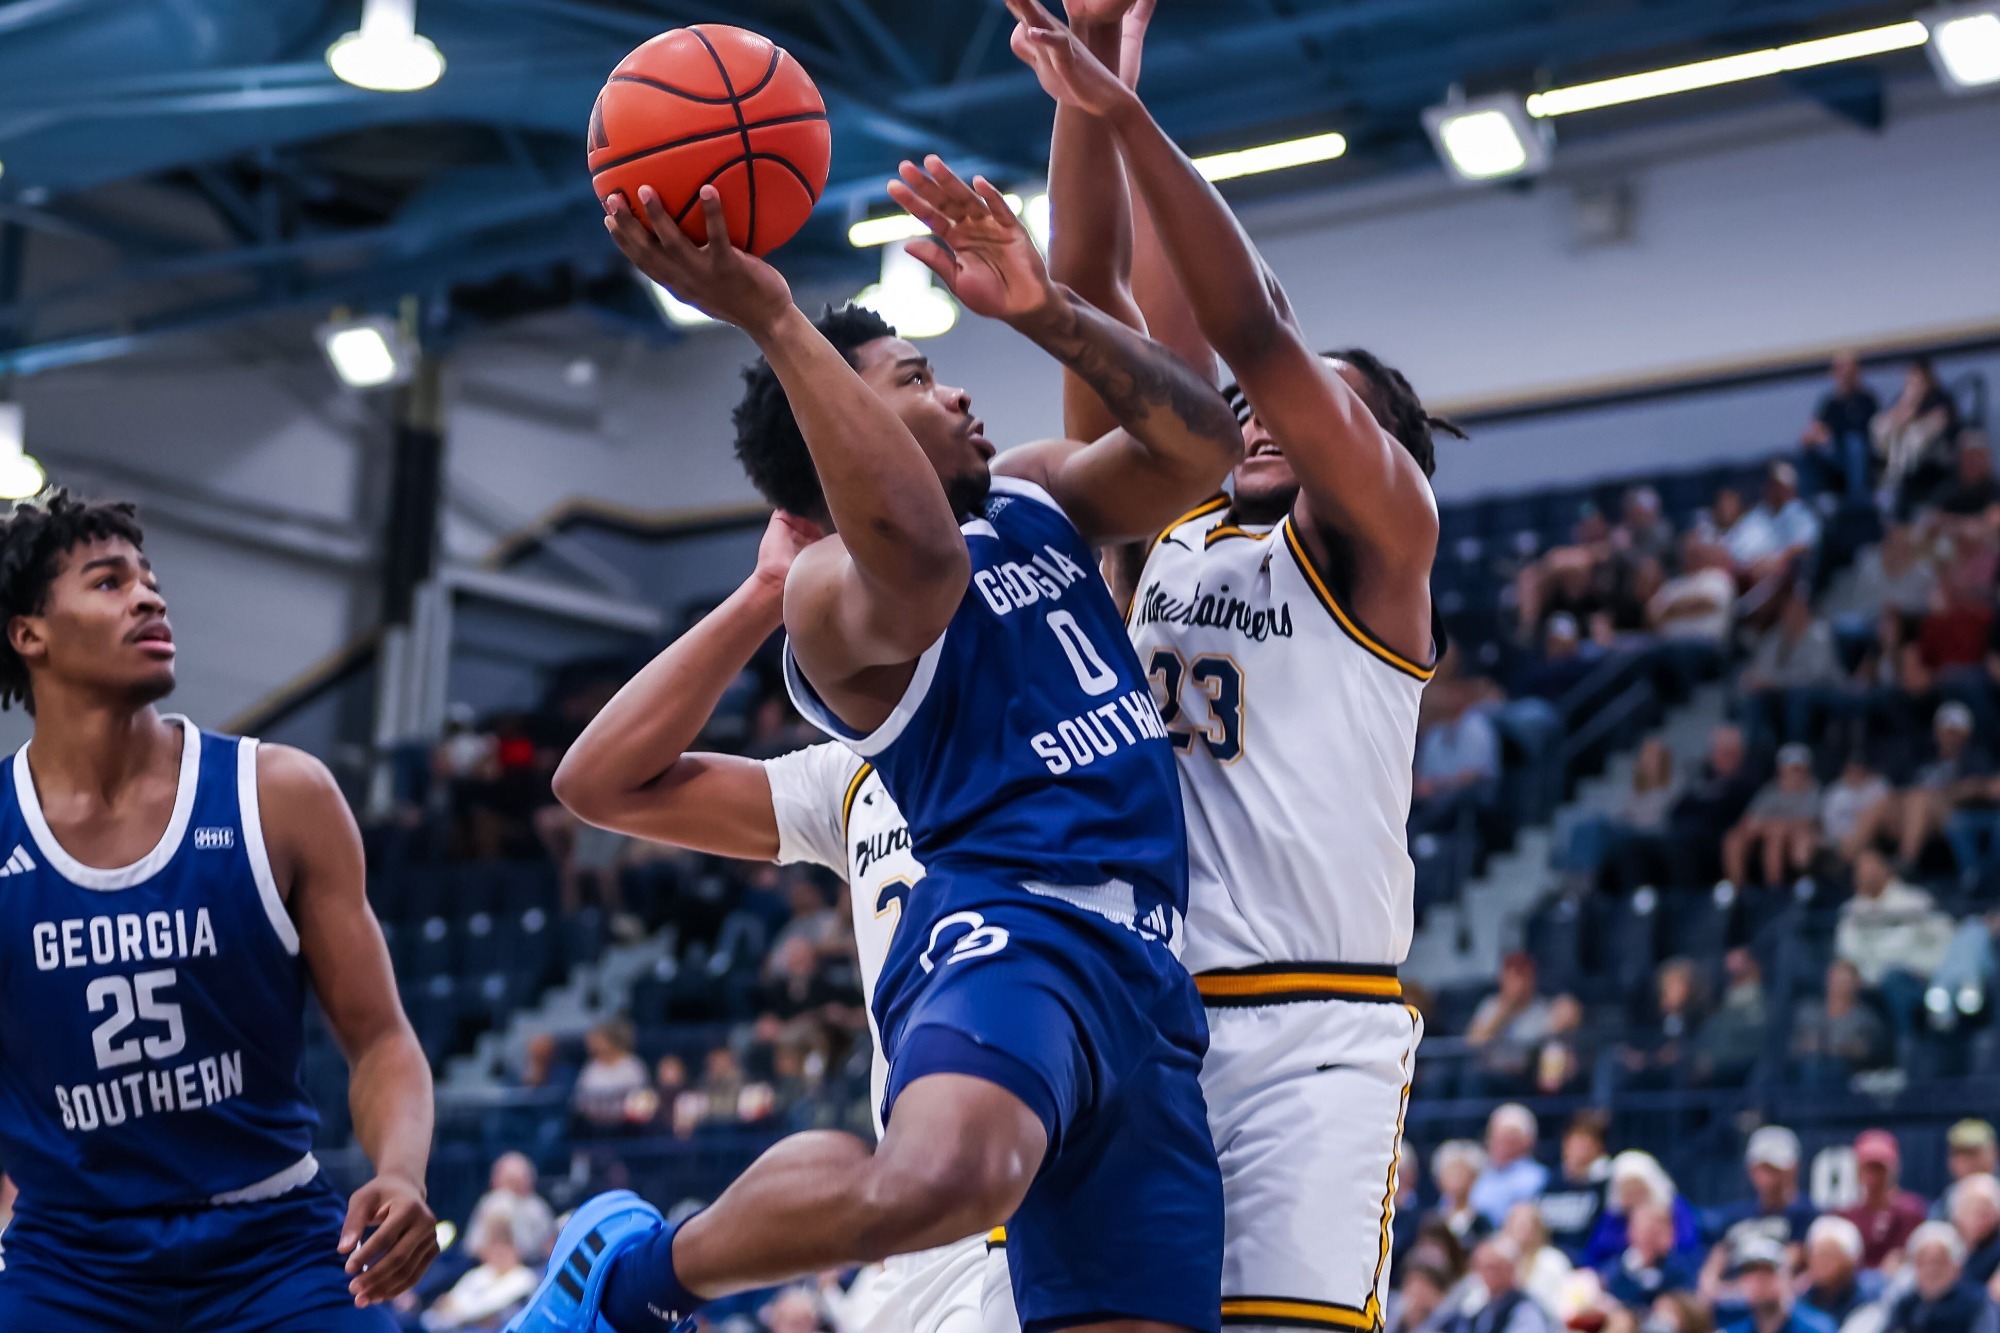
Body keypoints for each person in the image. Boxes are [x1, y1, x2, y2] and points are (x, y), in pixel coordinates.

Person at [520, 114, 1244, 1331]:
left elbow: (1200, 447)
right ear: (836, 435)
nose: (955, 385)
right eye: (913, 377)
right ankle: (636, 1281)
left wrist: (1048, 312)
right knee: (945, 1179)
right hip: (1015, 927)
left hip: (1146, 975)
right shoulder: (824, 596)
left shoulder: (1032, 495)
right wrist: (773, 318)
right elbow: (913, 561)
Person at [1024, 4, 1454, 1323]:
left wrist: (1130, 117)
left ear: (1373, 450)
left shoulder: (1384, 550)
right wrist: (1085, 92)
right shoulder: (1160, 533)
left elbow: (1254, 336)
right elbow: (1091, 311)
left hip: (1313, 1030)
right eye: (1269, 409)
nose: (1269, 411)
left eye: (1325, 406)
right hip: (1142, 1017)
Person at [548, 512, 1015, 1333]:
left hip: (1043, 1191)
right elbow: (597, 783)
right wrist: (764, 591)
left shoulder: (1086, 733)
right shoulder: (851, 775)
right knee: (847, 1162)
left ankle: (638, 1287)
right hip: (919, 1232)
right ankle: (631, 1293)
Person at [0, 492, 438, 1329]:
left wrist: (403, 1171)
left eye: (151, 580)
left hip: (272, 1241)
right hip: (69, 1260)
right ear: (30, 634)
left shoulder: (278, 794)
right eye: (109, 581)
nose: (149, 597)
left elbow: (381, 1037)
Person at [422, 1201, 540, 1331]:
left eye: (504, 1246)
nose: (498, 1252)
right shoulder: (478, 1275)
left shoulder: (524, 1278)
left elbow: (489, 1308)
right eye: (493, 1245)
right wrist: (448, 1308)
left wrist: (457, 1311)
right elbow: (435, 1314)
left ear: (516, 1250)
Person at [1721, 745, 1823, 890]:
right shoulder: (1770, 791)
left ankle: (1774, 890)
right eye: (1789, 769)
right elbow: (1748, 821)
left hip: (1795, 838)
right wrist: (1768, 825)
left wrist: (1772, 825)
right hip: (1764, 834)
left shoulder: (1813, 790)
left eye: (1798, 769)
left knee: (1776, 835)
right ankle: (1737, 891)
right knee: (1733, 839)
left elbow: (1808, 820)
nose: (1793, 775)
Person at [1880, 1223, 1996, 1333]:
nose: (1930, 1270)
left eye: (1938, 1262)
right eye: (1923, 1262)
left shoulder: (1977, 1301)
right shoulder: (1906, 1303)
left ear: (1956, 1267)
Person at [1839, 1131, 1929, 1270]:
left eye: (1879, 1168)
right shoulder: (1847, 1216)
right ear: (1858, 1170)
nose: (1873, 1177)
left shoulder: (1912, 1211)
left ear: (1893, 1170)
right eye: (1868, 1168)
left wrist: (1904, 1259)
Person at [1791, 960, 1891, 1084]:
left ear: (1857, 983)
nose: (1839, 986)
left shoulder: (1866, 1018)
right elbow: (1795, 1046)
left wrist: (1831, 1048)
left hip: (1847, 1075)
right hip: (1805, 1072)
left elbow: (1866, 1051)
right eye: (1835, 980)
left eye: (1844, 981)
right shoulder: (1808, 1012)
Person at [1801, 353, 1881, 497]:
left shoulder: (1866, 399)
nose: (1843, 374)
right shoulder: (1830, 403)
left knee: (1854, 443)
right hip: (1836, 452)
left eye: (1847, 369)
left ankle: (1858, 498)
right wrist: (1814, 438)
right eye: (1838, 370)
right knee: (1806, 455)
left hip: (1862, 453)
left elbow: (1873, 429)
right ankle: (1810, 503)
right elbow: (1818, 429)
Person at [1720, 1235, 1837, 1333]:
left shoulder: (1816, 1328)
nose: (1758, 1279)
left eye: (1767, 1270)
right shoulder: (1733, 1330)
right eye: (1750, 1271)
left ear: (1786, 1276)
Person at [1539, 1113, 1614, 1262]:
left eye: (1586, 1144)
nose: (1579, 1149)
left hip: (1585, 1261)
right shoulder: (1551, 1182)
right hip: (1551, 1260)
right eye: (1575, 1142)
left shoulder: (1604, 1184)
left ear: (1598, 1147)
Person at [1601, 1203, 1700, 1309]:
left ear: (1670, 1233)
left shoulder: (1680, 1267)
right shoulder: (1617, 1267)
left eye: (1655, 1232)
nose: (1648, 1240)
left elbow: (1687, 1304)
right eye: (1643, 1232)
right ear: (1630, 1232)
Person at [466, 1153, 557, 1266]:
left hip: (532, 1268)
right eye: (512, 1180)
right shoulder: (493, 1202)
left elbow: (550, 1246)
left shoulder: (537, 1206)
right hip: (490, 1268)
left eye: (521, 1179)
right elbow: (474, 1247)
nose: (517, 1184)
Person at [1449, 1238, 1556, 1333]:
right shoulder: (1481, 1307)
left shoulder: (1526, 1310)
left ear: (1511, 1268)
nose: (1488, 1274)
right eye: (1482, 1267)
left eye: (1494, 1267)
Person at [1474, 1104, 1552, 1227]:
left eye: (1509, 1137)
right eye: (1496, 1135)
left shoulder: (1536, 1177)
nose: (1500, 1143)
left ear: (1527, 1140)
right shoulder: (1480, 1174)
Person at [1799, 1216, 1882, 1329]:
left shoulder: (1868, 1298)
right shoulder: (1803, 1298)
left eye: (1829, 1255)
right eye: (1817, 1254)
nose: (1822, 1262)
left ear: (1851, 1260)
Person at [1950, 1175, 2000, 1286]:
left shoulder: (1996, 1249)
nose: (1978, 1219)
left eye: (1985, 1211)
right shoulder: (1952, 1248)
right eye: (1970, 1211)